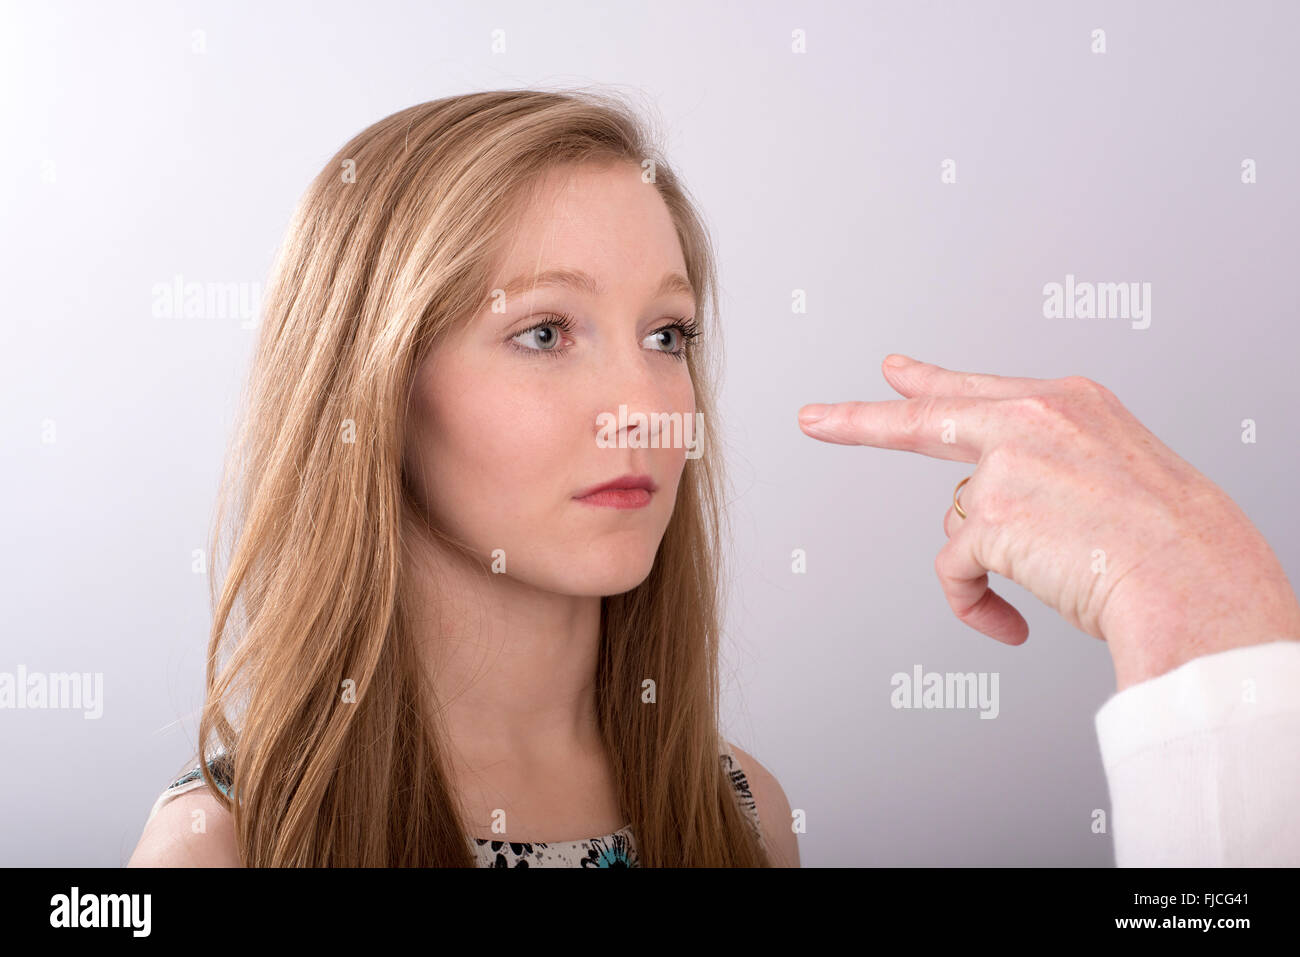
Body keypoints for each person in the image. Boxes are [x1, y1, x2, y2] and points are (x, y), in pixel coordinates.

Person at [127, 89, 1300, 868]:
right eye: (543, 333)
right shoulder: (218, 850)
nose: (643, 403)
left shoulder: (742, 814)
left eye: (669, 335)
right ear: (369, 389)